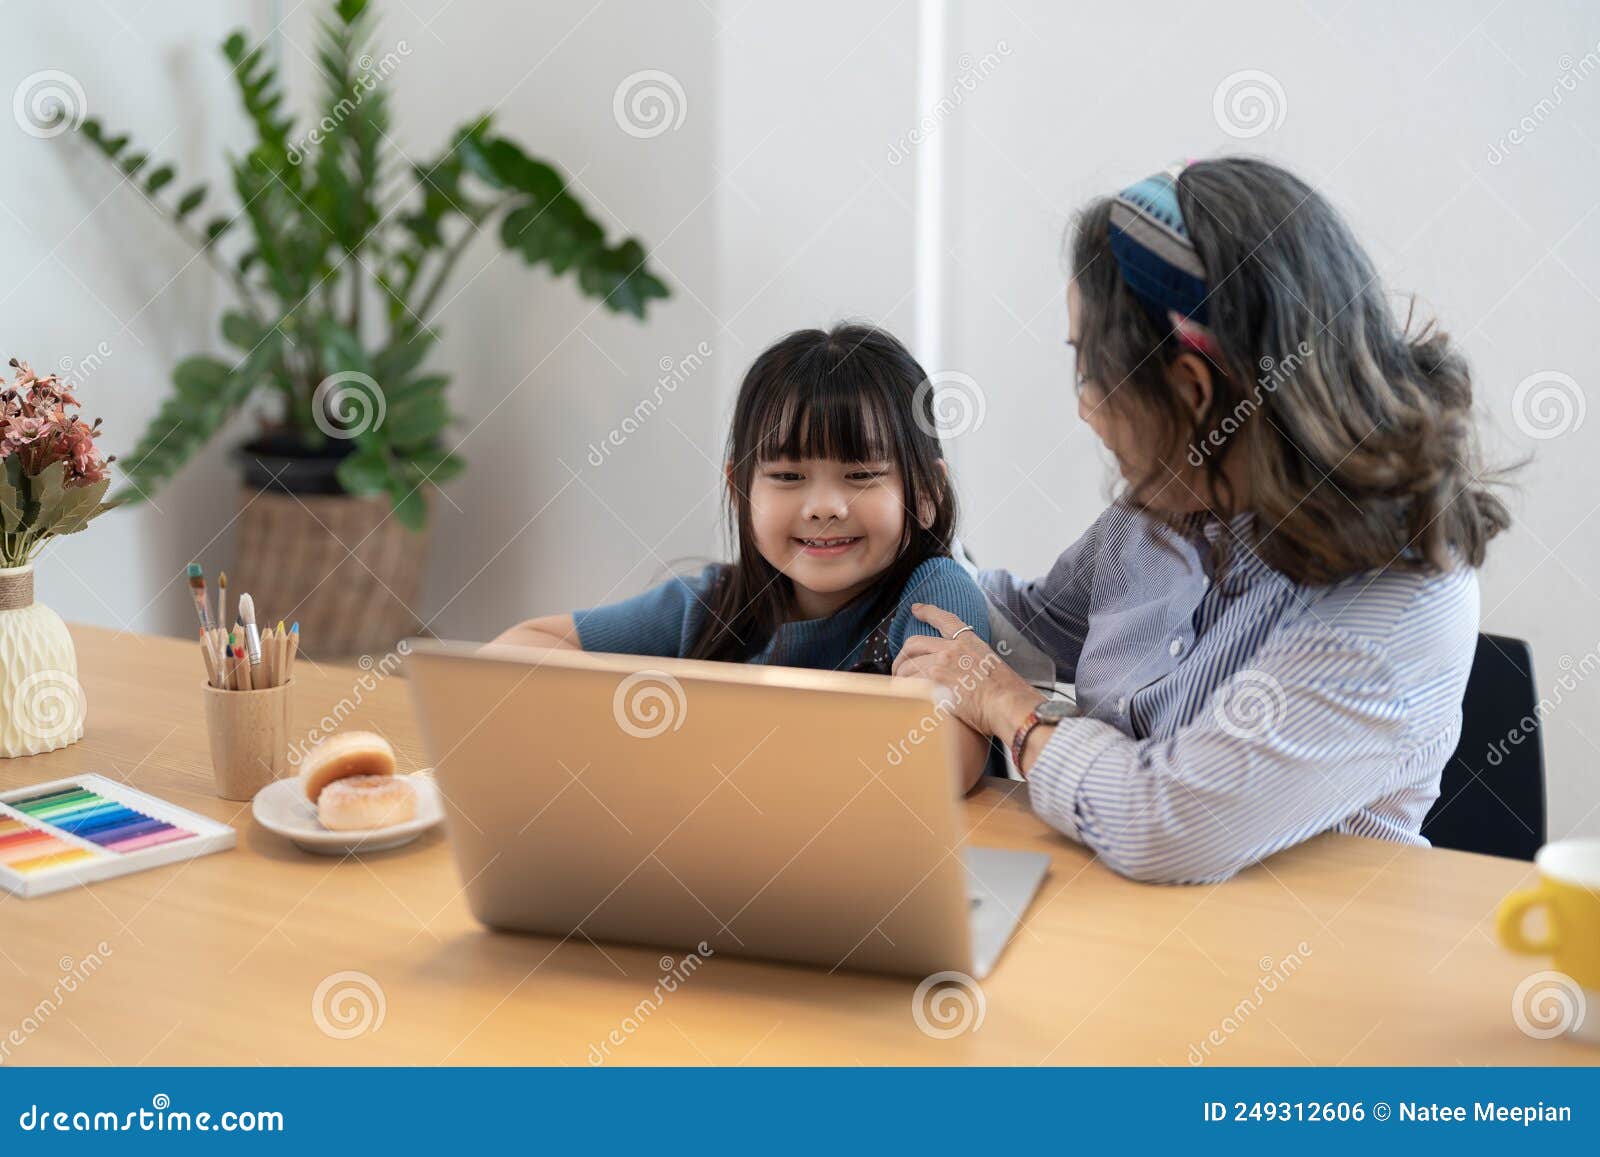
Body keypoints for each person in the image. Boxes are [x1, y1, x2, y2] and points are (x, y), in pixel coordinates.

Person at [891, 157, 1509, 882]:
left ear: (1191, 392)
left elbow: (1165, 823)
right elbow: (1024, 624)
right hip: (1118, 926)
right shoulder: (1172, 507)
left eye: (1090, 371)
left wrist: (1014, 711)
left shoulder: (1399, 596)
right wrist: (885, 536)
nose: (1083, 406)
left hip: (1303, 963)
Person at [494, 323, 1004, 790]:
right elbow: (516, 652)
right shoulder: (711, 604)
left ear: (927, 492)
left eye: (861, 474)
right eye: (787, 476)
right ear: (740, 489)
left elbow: (943, 761)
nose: (823, 507)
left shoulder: (933, 594)